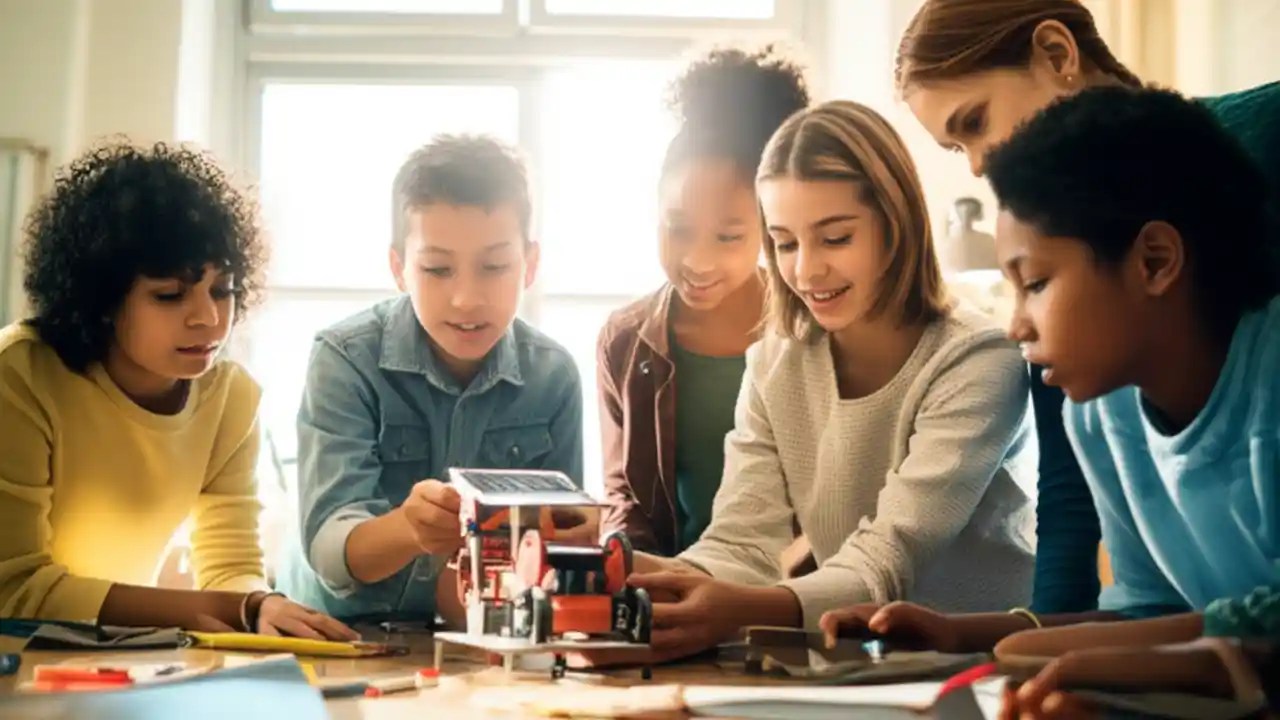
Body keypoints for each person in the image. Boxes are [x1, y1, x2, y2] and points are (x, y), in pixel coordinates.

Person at [828, 85, 1280, 712]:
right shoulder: (1100, 414)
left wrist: (1081, 666)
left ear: (1153, 260)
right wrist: (964, 636)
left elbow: (1264, 625)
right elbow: (1148, 612)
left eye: (1035, 283)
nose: (1016, 325)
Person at [896, 0, 1280, 617]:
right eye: (953, 148)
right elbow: (1072, 489)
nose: (976, 165)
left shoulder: (1262, 142)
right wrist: (1036, 647)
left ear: (1057, 54)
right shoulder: (1092, 360)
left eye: (975, 122)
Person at [623, 99, 1037, 661]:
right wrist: (638, 572)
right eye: (786, 243)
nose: (806, 270)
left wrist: (737, 608)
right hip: (856, 668)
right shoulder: (774, 363)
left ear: (895, 226)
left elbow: (887, 558)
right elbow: (742, 542)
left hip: (982, 672)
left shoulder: (979, 359)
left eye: (835, 239)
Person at [0, 141, 354, 639]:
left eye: (222, 289)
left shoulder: (230, 399)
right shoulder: (19, 375)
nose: (208, 317)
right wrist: (228, 609)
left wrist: (261, 605)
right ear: (101, 298)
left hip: (114, 660)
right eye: (169, 295)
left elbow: (231, 565)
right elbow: (14, 589)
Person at [275, 135, 583, 624]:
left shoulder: (554, 376)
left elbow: (561, 541)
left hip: (481, 636)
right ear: (399, 268)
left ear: (531, 266)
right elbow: (330, 548)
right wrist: (407, 529)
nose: (466, 298)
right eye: (437, 269)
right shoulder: (345, 358)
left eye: (495, 267)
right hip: (337, 633)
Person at [598, 45, 809, 557]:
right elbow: (623, 494)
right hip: (672, 599)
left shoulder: (812, 331)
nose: (697, 260)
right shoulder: (626, 340)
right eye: (679, 229)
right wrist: (628, 567)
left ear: (768, 228)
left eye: (728, 237)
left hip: (791, 603)